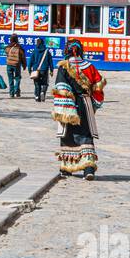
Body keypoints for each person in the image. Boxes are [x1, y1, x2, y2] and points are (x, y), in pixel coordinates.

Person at [50, 40, 106, 179]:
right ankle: (88, 169)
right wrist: (94, 104)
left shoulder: (64, 66)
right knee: (86, 134)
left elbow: (61, 88)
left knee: (68, 135)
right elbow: (98, 87)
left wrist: (63, 108)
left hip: (69, 105)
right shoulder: (90, 67)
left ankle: (68, 167)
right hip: (85, 104)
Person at [30, 37, 55, 102]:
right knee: (45, 83)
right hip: (44, 70)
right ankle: (43, 92)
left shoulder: (35, 51)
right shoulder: (47, 51)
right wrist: (51, 70)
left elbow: (30, 61)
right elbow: (50, 62)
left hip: (36, 70)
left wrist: (29, 69)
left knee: (37, 83)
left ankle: (37, 96)